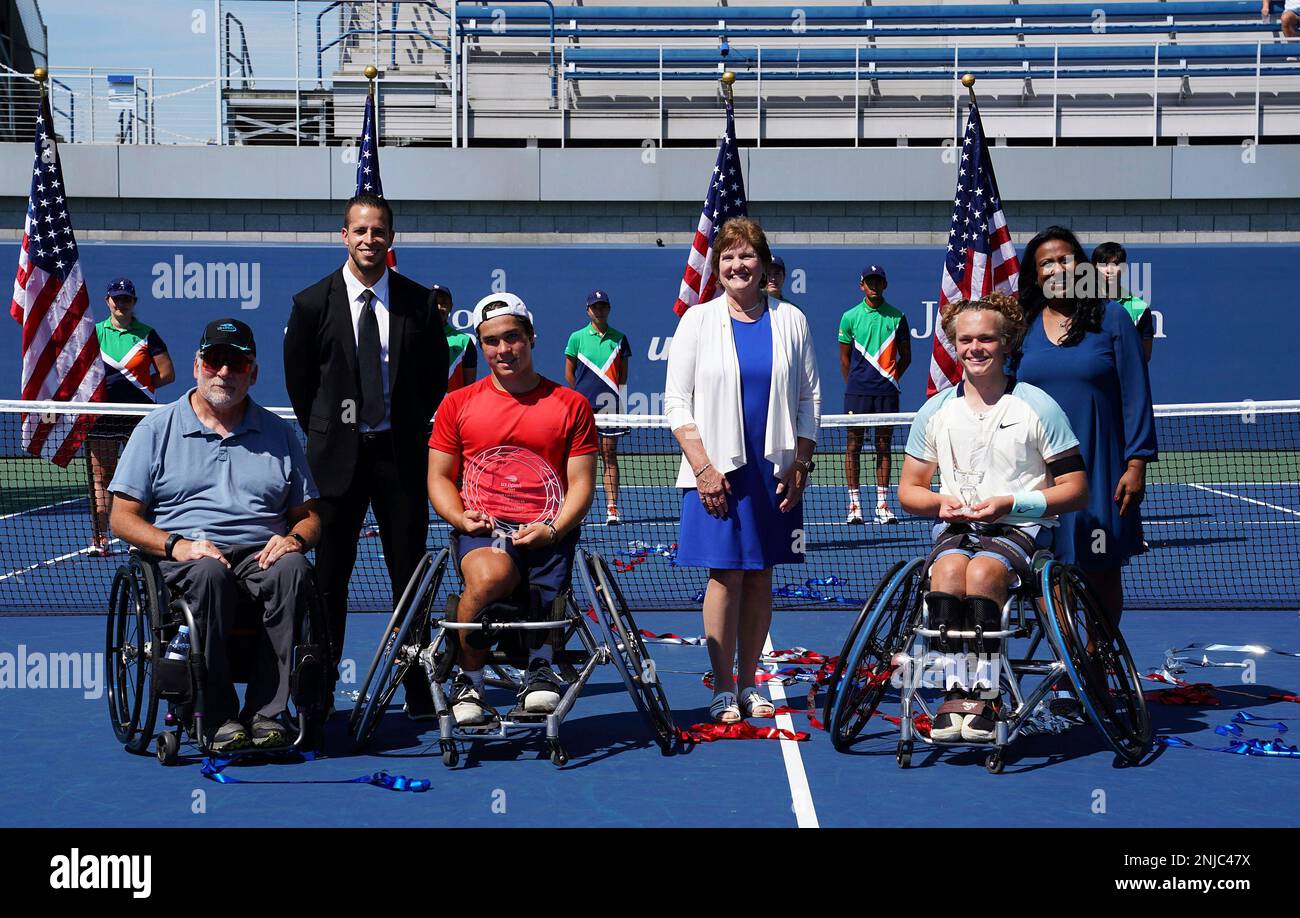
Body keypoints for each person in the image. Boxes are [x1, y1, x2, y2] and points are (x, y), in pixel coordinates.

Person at [109, 319, 321, 753]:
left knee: (294, 569)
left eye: (237, 362)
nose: (224, 371)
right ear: (197, 365)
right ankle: (217, 714)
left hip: (262, 553)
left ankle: (266, 713)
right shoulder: (156, 429)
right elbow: (122, 518)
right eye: (215, 360)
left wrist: (294, 540)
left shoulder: (280, 433)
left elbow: (309, 517)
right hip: (189, 556)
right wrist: (178, 546)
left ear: (253, 373)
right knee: (207, 573)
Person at [284, 193, 448, 715]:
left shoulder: (420, 304)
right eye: (359, 231)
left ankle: (418, 688)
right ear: (344, 236)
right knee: (329, 580)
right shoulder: (310, 304)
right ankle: (321, 690)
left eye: (378, 231)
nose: (368, 240)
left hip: (400, 460)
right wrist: (339, 430)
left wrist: (398, 424)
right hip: (335, 465)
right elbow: (302, 386)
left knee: (411, 579)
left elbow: (432, 380)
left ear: (391, 238)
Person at [900, 294, 1088, 742]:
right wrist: (938, 503)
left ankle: (985, 694)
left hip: (1021, 531)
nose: (975, 348)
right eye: (966, 339)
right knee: (946, 569)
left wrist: (1010, 504)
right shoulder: (936, 410)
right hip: (958, 528)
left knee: (983, 570)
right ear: (953, 345)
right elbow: (909, 490)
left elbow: (1076, 490)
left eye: (986, 338)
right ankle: (955, 690)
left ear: (1007, 343)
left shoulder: (1037, 406)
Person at [665, 217, 821, 724]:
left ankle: (752, 682)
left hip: (772, 469)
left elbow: (808, 398)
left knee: (760, 576)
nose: (737, 265)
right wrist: (704, 468)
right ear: (717, 267)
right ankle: (723, 686)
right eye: (728, 257)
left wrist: (800, 462)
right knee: (725, 576)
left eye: (746, 255)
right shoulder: (697, 321)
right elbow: (676, 402)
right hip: (716, 471)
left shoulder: (791, 320)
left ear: (764, 263)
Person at [428, 293, 598, 725]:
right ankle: (470, 682)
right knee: (494, 575)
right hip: (484, 530)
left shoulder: (572, 405)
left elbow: (581, 484)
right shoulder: (457, 404)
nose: (503, 349)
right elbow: (439, 478)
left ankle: (540, 668)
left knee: (543, 582)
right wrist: (459, 517)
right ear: (480, 346)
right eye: (491, 341)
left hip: (548, 530)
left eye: (512, 338)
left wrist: (554, 530)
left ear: (531, 338)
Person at [1014, 226, 1157, 629]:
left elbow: (1136, 393)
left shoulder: (1112, 318)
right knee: (1046, 573)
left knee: (1101, 570)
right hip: (1038, 473)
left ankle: (1098, 660)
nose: (1058, 268)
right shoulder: (1021, 326)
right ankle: (1069, 664)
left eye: (1066, 258)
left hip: (1103, 470)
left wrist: (1137, 463)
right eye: (1046, 262)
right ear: (1035, 274)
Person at [87, 277, 175, 556]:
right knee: (102, 476)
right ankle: (100, 537)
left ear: (134, 302)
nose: (121, 303)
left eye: (126, 299)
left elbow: (167, 374)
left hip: (139, 416)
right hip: (101, 415)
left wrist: (143, 387)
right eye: (116, 298)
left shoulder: (148, 334)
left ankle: (141, 535)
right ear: (107, 301)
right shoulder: (94, 333)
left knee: (142, 476)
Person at [838, 264, 910, 524]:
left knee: (883, 447)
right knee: (853, 447)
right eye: (870, 282)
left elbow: (906, 357)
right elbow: (844, 359)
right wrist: (856, 383)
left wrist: (889, 378)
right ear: (862, 286)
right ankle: (854, 506)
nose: (874, 286)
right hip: (857, 394)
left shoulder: (898, 317)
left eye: (878, 281)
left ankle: (882, 505)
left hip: (887, 393)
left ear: (885, 285)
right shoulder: (849, 317)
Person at [564, 289, 631, 524]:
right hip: (583, 408)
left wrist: (609, 395)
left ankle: (612, 508)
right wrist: (583, 395)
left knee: (609, 455)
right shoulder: (576, 338)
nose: (599, 310)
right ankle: (577, 509)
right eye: (595, 307)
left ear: (608, 309)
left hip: (610, 407)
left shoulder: (620, 338)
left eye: (603, 306)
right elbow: (569, 373)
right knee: (581, 458)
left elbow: (622, 377)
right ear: (588, 310)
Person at [1091, 241, 1154, 363]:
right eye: (1104, 264)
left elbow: (1145, 356)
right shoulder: (1080, 304)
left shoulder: (1140, 308)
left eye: (1115, 264)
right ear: (1094, 267)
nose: (1109, 270)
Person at [433, 284, 478, 392]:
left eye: (443, 303)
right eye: (434, 303)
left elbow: (469, 390)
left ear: (450, 307)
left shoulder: (464, 341)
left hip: (454, 408)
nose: (439, 307)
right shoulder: (413, 338)